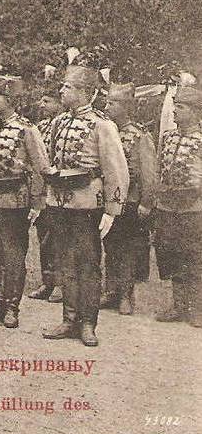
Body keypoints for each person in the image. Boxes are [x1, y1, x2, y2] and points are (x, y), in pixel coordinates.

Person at [41, 62, 128, 347]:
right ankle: (69, 319)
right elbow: (53, 161)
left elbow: (116, 169)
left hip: (87, 205)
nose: (61, 91)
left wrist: (112, 210)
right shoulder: (58, 122)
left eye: (67, 87)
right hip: (59, 203)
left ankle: (88, 323)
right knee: (65, 262)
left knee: (88, 265)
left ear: (83, 91)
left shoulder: (103, 126)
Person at [0, 76, 48, 329]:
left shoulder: (27, 129)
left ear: (10, 100)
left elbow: (41, 168)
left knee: (13, 254)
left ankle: (12, 308)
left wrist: (37, 202)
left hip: (15, 201)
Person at [101, 82, 156, 315]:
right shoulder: (106, 131)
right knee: (110, 245)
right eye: (107, 102)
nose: (107, 107)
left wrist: (146, 202)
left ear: (126, 107)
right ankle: (111, 290)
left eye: (112, 103)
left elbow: (149, 173)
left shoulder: (140, 135)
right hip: (109, 200)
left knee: (127, 248)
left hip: (131, 201)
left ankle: (125, 295)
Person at [152, 85, 202, 327]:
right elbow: (158, 169)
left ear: (195, 111)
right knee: (172, 254)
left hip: (194, 208)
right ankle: (179, 304)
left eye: (180, 107)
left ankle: (197, 308)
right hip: (167, 206)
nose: (174, 111)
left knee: (194, 256)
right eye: (175, 106)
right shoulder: (167, 137)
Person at [28, 84, 66, 302]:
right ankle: (47, 281)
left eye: (47, 101)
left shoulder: (65, 126)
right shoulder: (40, 127)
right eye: (41, 101)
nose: (41, 105)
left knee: (59, 238)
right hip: (41, 189)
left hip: (59, 190)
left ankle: (61, 284)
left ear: (59, 104)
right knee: (43, 238)